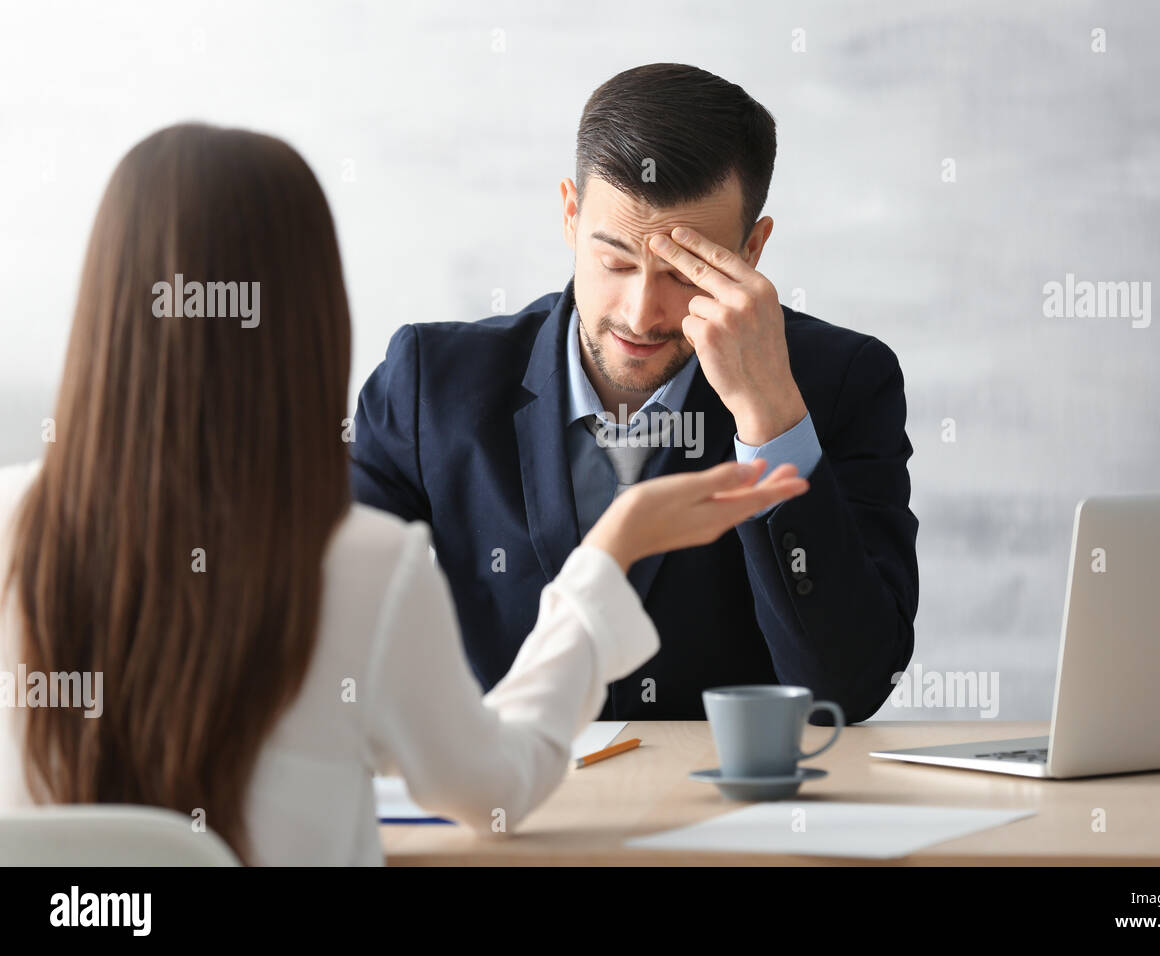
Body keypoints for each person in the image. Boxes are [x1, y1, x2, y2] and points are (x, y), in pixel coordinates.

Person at [0, 123, 807, 865]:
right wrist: (611, 552)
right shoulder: (361, 563)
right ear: (311, 311)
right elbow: (500, 785)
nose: (642, 305)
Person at [351, 63, 920, 724]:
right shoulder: (431, 382)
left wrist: (769, 422)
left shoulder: (842, 381)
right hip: (511, 808)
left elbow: (846, 689)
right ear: (569, 214)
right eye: (615, 262)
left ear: (752, 248)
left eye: (686, 270)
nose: (642, 313)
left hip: (738, 820)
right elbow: (318, 620)